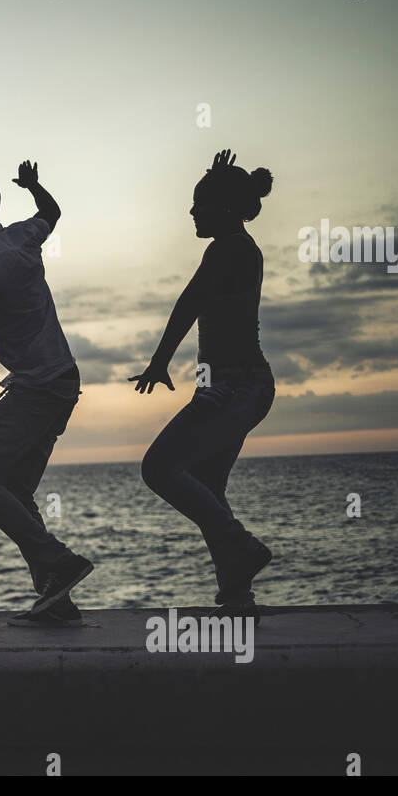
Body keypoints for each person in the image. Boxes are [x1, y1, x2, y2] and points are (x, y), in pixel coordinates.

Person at [0, 161, 93, 627]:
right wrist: (33, 187)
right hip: (61, 381)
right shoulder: (22, 236)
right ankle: (56, 599)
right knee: (14, 489)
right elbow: (52, 211)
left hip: (38, 387)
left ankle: (60, 562)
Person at [129, 149, 275, 617]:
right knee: (208, 487)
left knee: (160, 469)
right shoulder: (239, 246)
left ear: (227, 209)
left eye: (201, 204)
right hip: (239, 386)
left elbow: (188, 302)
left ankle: (243, 548)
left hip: (234, 385)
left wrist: (158, 362)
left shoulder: (229, 246)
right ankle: (237, 595)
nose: (192, 212)